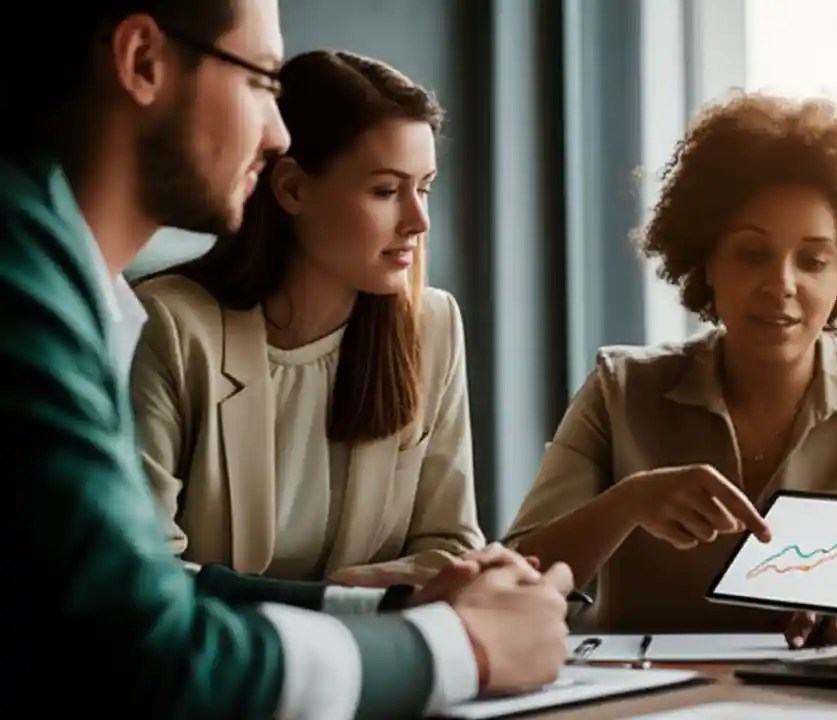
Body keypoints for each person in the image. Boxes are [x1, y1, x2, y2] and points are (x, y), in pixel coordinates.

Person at [0, 3, 571, 717]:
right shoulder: (27, 283)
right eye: (262, 81)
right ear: (142, 60)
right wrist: (465, 648)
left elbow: (150, 594)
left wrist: (394, 602)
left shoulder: (64, 279)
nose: (275, 134)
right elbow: (143, 651)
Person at [504, 93, 837, 645]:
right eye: (753, 254)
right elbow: (513, 578)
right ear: (707, 260)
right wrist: (628, 502)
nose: (782, 283)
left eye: (813, 261)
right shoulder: (620, 390)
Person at [129, 48, 484, 589]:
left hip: (381, 666)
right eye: (386, 190)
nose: (418, 220)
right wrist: (346, 606)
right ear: (293, 188)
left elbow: (452, 547)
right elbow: (146, 573)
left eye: (425, 187)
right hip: (221, 669)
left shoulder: (432, 326)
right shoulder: (172, 328)